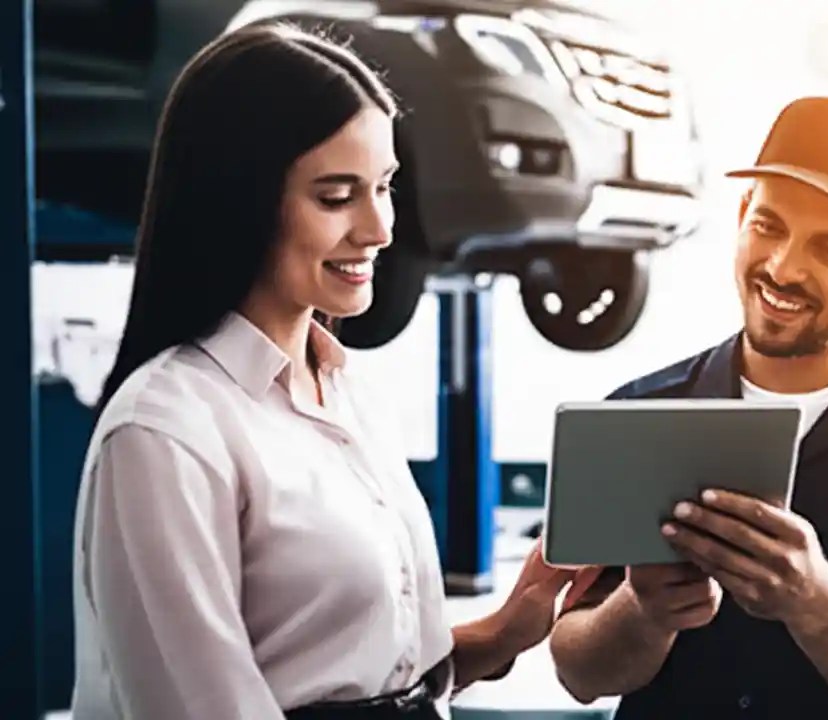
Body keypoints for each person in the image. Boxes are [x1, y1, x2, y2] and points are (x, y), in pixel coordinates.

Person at [70, 23, 572, 720]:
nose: (380, 229)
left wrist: (509, 627)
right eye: (337, 196)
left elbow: (368, 675)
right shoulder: (164, 431)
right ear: (239, 200)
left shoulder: (351, 395)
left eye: (385, 186)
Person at [548, 94, 828, 719]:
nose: (783, 267)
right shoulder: (635, 416)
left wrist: (811, 596)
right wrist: (644, 611)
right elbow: (578, 672)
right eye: (769, 226)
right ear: (742, 215)